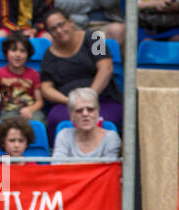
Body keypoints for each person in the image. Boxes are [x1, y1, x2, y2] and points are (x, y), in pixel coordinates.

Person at [39, 7, 123, 142]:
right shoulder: (49, 55)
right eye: (53, 29)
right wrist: (70, 101)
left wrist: (89, 96)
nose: (59, 31)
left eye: (61, 24)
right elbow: (46, 88)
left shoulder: (95, 37)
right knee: (56, 120)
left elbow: (106, 68)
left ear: (70, 22)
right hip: (68, 104)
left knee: (105, 120)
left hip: (102, 99)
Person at [0, 32, 43, 121]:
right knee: (5, 126)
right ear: (6, 52)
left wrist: (30, 109)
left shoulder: (34, 74)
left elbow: (40, 101)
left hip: (30, 111)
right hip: (8, 113)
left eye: (22, 51)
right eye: (13, 50)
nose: (18, 55)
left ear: (28, 54)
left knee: (38, 122)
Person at [52, 87, 121, 160]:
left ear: (97, 112)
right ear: (71, 115)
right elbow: (57, 167)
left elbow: (110, 169)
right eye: (79, 110)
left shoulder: (110, 138)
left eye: (90, 109)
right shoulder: (64, 135)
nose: (85, 114)